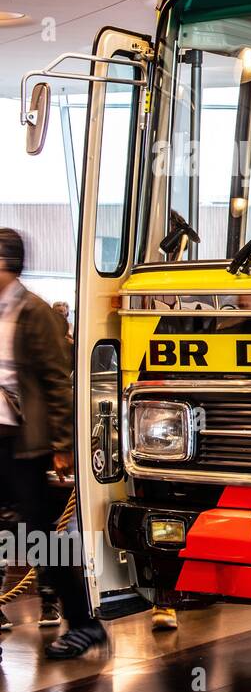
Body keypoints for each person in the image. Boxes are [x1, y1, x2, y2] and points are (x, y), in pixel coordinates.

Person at [0, 228, 107, 660]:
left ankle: (84, 623)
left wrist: (63, 442)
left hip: (23, 445)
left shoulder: (34, 312)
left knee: (44, 536)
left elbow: (57, 383)